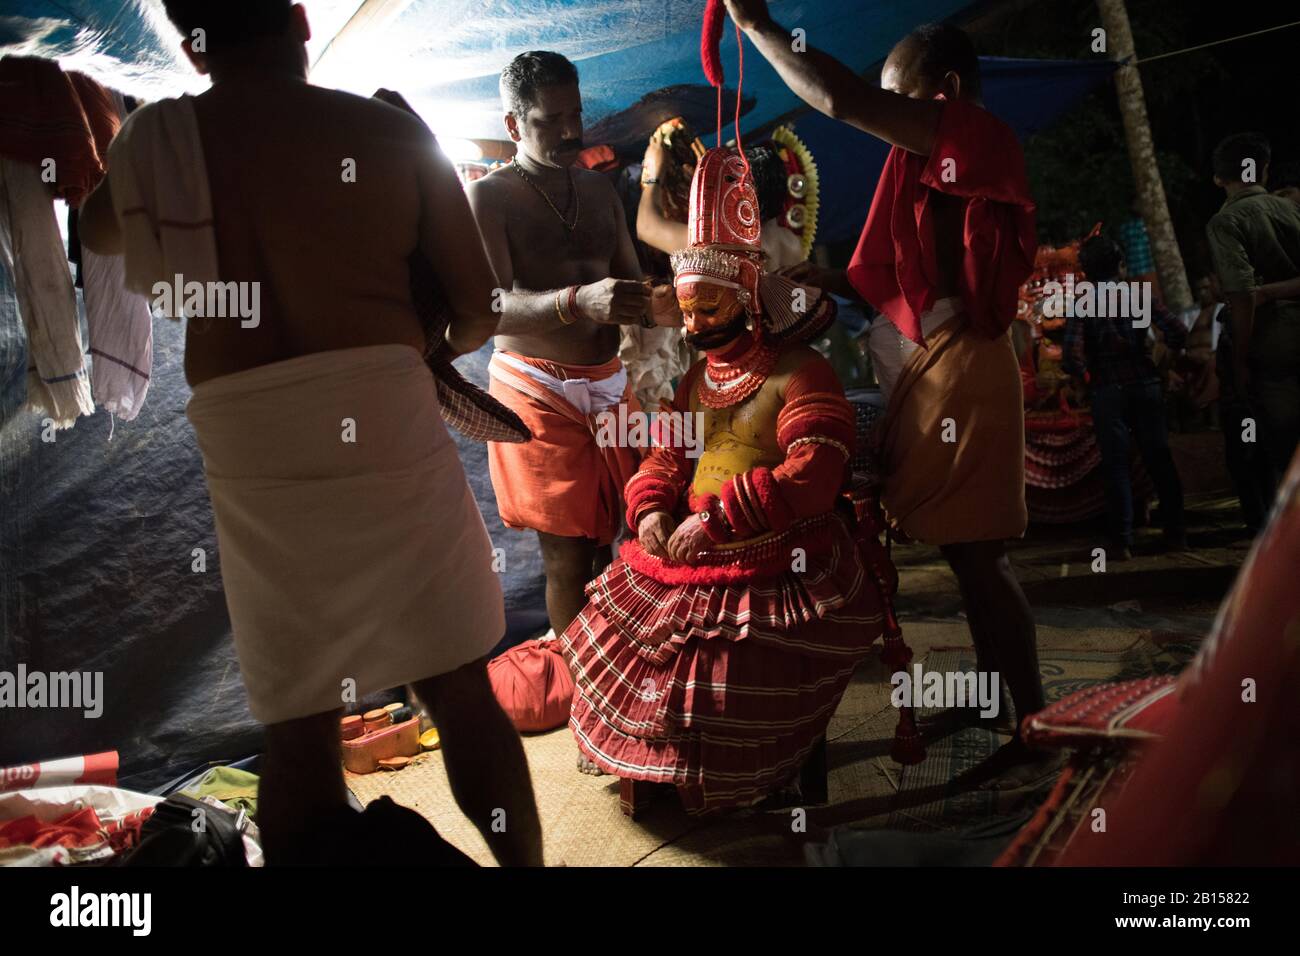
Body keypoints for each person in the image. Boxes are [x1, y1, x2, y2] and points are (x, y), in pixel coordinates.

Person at [78, 0, 541, 865]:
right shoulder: (389, 133)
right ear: (297, 21)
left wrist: (132, 145)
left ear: (191, 45)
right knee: (455, 684)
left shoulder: (157, 144)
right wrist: (421, 334)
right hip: (381, 401)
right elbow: (480, 308)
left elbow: (98, 228)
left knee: (297, 717)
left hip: (249, 431)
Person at [723, 1, 1047, 774]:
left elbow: (839, 99)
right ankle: (999, 695)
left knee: (981, 558)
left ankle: (1032, 724)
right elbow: (917, 271)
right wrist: (825, 277)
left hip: (963, 365)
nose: (894, 114)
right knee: (968, 557)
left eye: (905, 96)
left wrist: (758, 26)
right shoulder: (936, 158)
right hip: (935, 363)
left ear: (950, 88)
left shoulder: (976, 135)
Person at [561, 146, 910, 812]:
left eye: (710, 312)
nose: (695, 326)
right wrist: (654, 510)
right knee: (618, 644)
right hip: (689, 549)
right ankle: (663, 778)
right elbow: (666, 454)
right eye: (688, 314)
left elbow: (814, 470)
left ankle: (749, 778)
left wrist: (718, 520)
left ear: (750, 299)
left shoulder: (802, 371)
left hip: (781, 551)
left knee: (728, 672)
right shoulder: (695, 381)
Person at [467, 51, 675, 638]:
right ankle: (590, 699)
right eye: (549, 119)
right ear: (513, 126)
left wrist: (696, 302)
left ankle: (626, 676)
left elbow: (636, 288)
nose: (569, 132)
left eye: (575, 115)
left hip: (609, 380)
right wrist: (577, 302)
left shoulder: (599, 189)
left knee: (635, 531)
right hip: (536, 388)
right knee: (568, 556)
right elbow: (487, 306)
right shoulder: (491, 199)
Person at [1061, 236, 1188, 557]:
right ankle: (1176, 534)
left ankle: (1122, 541)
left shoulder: (1084, 302)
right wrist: (1163, 360)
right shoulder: (1139, 295)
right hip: (1146, 384)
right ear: (1118, 264)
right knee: (1159, 458)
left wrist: (1087, 379)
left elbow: (1071, 358)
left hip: (1108, 391)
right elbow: (1177, 330)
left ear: (1087, 271)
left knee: (1116, 465)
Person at [1206, 132, 1300, 484]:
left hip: (1272, 346)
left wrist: (1239, 360)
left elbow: (1242, 297)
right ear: (1264, 171)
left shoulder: (1225, 222)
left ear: (1218, 178)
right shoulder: (1290, 209)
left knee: (1284, 450)